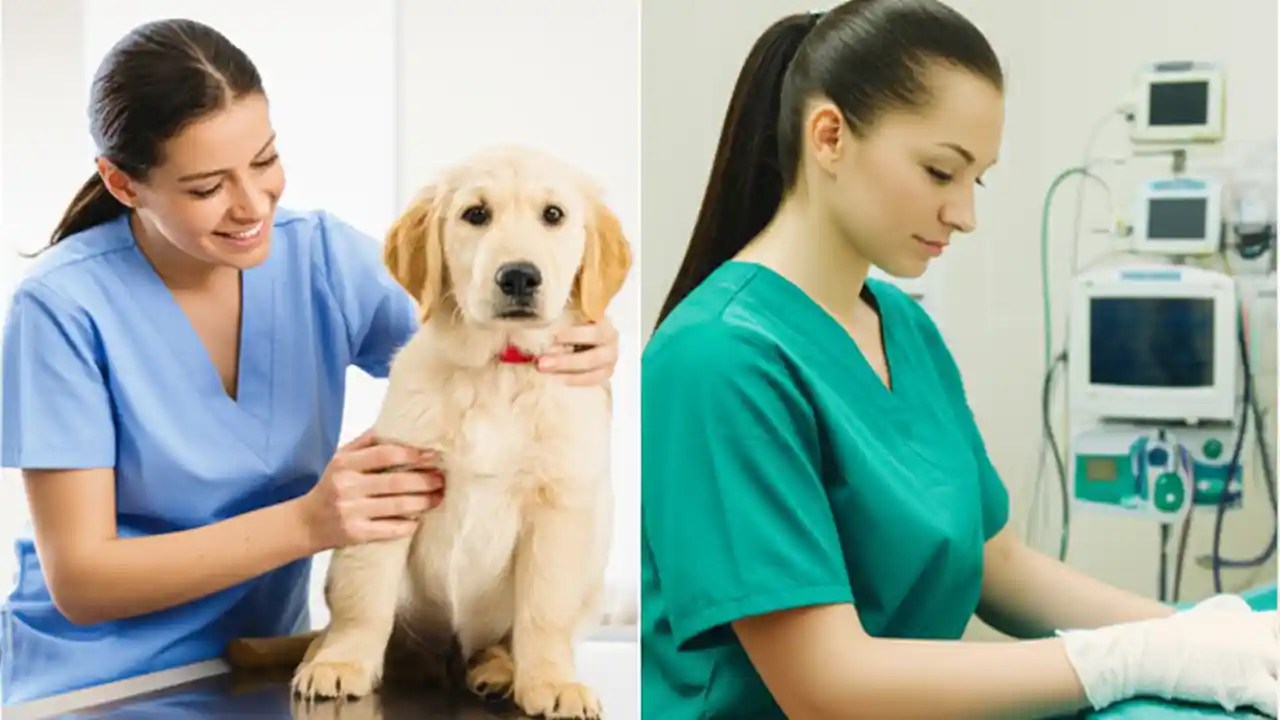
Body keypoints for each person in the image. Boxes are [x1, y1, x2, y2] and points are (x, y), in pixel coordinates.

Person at [639, 2, 1277, 719]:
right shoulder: (716, 360)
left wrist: (1191, 634)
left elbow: (997, 566)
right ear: (829, 137)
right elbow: (825, 686)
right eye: (941, 172)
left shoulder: (904, 328)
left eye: (979, 179)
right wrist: (1124, 660)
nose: (965, 213)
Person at [0, 19, 620, 707]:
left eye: (264, 161)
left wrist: (589, 338)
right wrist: (308, 524)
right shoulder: (62, 307)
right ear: (122, 184)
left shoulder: (319, 260)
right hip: (87, 686)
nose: (252, 205)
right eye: (207, 187)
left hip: (259, 674)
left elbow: (475, 333)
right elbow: (82, 581)